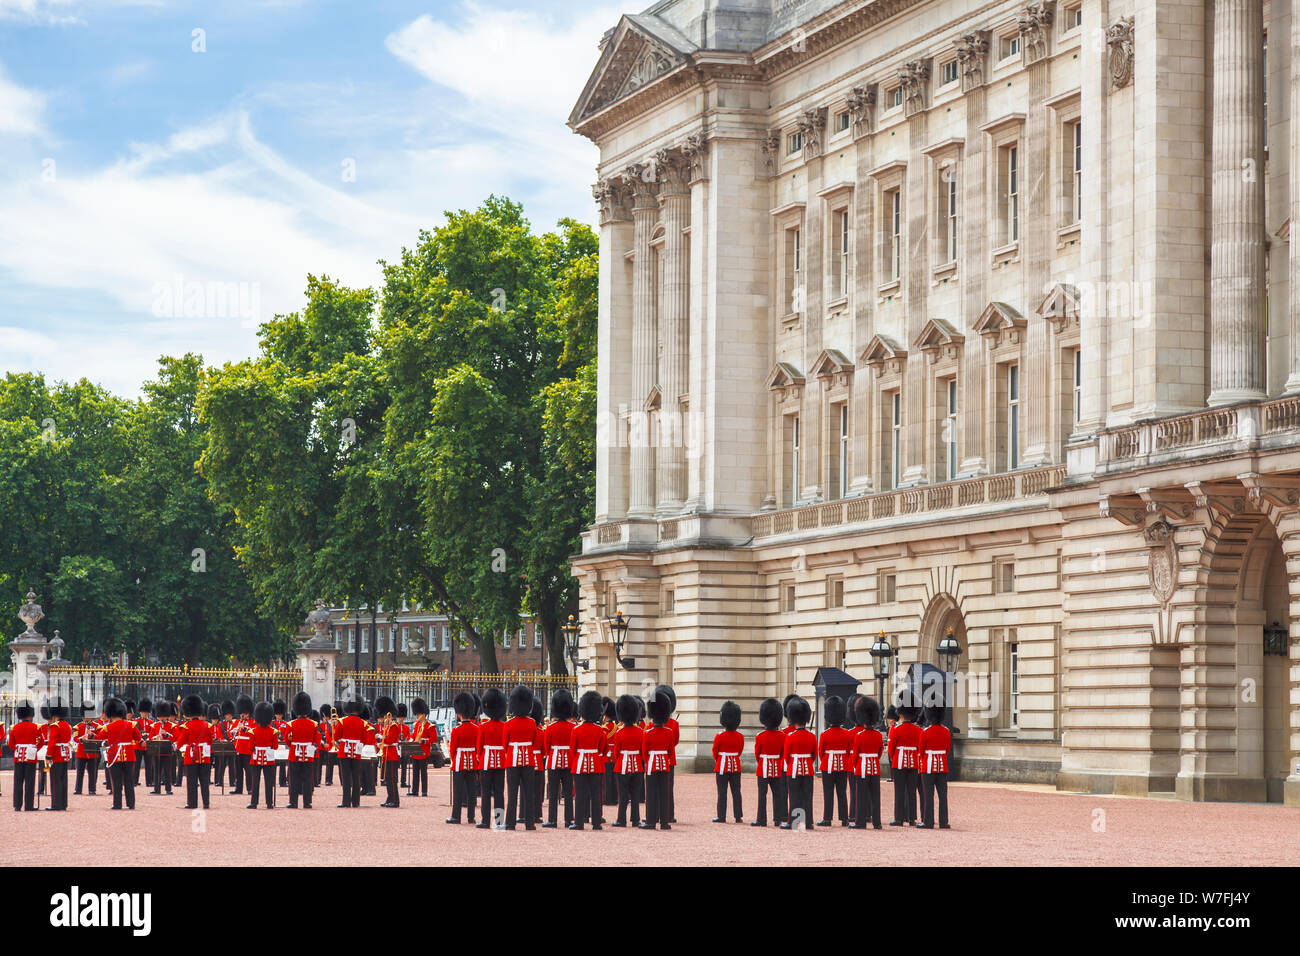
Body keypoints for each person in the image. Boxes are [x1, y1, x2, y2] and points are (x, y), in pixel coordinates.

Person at [566, 690, 606, 830]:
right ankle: (596, 823)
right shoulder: (600, 730)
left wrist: (574, 762)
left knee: (580, 794)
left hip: (579, 763)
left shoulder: (576, 730)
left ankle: (579, 822)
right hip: (595, 763)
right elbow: (603, 749)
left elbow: (572, 750)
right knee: (596, 794)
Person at [639, 690, 675, 831]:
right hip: (665, 765)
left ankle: (651, 821)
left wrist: (649, 762)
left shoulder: (647, 733)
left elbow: (644, 753)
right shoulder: (669, 732)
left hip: (652, 764)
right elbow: (671, 752)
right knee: (664, 793)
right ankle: (664, 822)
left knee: (651, 793)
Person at [502, 685, 537, 830]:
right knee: (529, 793)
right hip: (528, 759)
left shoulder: (509, 724)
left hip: (512, 759)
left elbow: (505, 744)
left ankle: (510, 823)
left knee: (512, 793)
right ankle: (530, 823)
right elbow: (534, 742)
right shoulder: (532, 723)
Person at [780, 696, 816, 831]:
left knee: (794, 796)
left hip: (793, 768)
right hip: (807, 769)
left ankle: (794, 822)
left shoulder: (790, 736)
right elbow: (814, 755)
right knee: (807, 796)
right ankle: (809, 822)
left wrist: (792, 766)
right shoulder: (812, 736)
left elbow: (787, 756)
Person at [100, 697, 142, 810]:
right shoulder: (131, 725)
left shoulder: (108, 727)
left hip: (115, 756)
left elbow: (98, 737)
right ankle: (131, 803)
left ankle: (117, 804)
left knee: (116, 782)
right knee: (129, 781)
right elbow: (139, 738)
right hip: (129, 755)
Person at [817, 695, 852, 827]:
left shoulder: (824, 734)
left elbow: (821, 753)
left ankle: (827, 818)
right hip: (843, 764)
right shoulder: (847, 734)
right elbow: (849, 751)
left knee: (828, 792)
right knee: (842, 792)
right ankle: (844, 818)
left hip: (828, 765)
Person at [849, 696, 884, 830]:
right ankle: (877, 822)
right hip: (875, 767)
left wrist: (855, 766)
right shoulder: (878, 735)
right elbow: (880, 752)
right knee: (875, 796)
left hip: (862, 768)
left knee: (861, 796)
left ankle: (860, 822)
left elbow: (856, 754)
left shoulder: (859, 736)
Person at [610, 694, 644, 828]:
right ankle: (635, 819)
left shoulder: (619, 733)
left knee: (623, 795)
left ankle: (621, 819)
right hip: (637, 765)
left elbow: (616, 752)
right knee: (635, 795)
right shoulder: (641, 732)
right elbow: (643, 750)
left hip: (622, 765)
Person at [446, 692, 480, 824]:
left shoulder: (456, 730)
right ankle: (471, 817)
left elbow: (453, 749)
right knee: (472, 791)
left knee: (458, 791)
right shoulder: (476, 729)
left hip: (459, 762)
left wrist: (454, 761)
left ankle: (456, 816)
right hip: (472, 762)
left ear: (459, 713)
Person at [476, 687, 508, 829]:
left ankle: (485, 821)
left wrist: (481, 758)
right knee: (499, 793)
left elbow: (479, 747)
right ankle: (499, 822)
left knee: (485, 793)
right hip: (501, 762)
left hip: (485, 762)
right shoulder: (505, 726)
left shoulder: (483, 727)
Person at [752, 698, 786, 828]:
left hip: (763, 767)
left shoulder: (760, 736)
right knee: (777, 794)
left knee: (762, 794)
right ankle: (777, 819)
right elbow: (783, 753)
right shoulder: (782, 736)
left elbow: (757, 754)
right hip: (777, 767)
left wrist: (763, 762)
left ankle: (761, 819)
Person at [542, 689, 574, 829]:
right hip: (569, 761)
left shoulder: (550, 728)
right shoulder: (573, 727)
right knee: (568, 792)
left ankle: (552, 820)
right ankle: (568, 820)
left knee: (553, 793)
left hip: (554, 761)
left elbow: (546, 747)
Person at [888, 700, 922, 827]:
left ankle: (899, 818)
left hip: (899, 762)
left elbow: (891, 749)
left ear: (900, 714)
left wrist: (895, 759)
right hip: (913, 762)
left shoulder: (895, 729)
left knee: (899, 791)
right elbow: (920, 748)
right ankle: (912, 818)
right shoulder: (918, 730)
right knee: (912, 791)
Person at [175, 694, 213, 810]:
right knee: (205, 781)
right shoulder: (208, 725)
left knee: (191, 782)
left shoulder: (186, 727)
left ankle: (192, 803)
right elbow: (210, 741)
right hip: (205, 756)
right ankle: (206, 803)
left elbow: (180, 743)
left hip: (191, 757)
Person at [286, 692, 321, 810]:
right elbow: (316, 739)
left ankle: (293, 802)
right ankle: (307, 802)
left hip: (294, 753)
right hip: (308, 754)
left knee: (294, 778)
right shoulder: (314, 724)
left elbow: (287, 741)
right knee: (307, 778)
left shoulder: (291, 724)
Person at [919, 706, 952, 829]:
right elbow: (947, 749)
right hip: (942, 766)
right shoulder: (946, 731)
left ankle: (928, 822)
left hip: (928, 767)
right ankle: (943, 822)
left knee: (928, 795)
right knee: (943, 795)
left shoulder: (925, 732)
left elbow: (921, 752)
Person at [712, 700, 744, 823]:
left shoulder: (719, 736)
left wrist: (719, 760)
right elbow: (739, 751)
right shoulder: (740, 736)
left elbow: (715, 751)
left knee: (722, 792)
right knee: (736, 792)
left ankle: (721, 816)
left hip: (722, 766)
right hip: (735, 766)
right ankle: (738, 816)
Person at [8, 702, 40, 811]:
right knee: (30, 782)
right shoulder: (35, 727)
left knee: (18, 781)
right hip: (31, 757)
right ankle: (29, 805)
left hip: (18, 756)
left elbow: (10, 744)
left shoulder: (15, 728)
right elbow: (40, 742)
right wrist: (34, 749)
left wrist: (18, 749)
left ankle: (17, 805)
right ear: (31, 715)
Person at [334, 700, 367, 808]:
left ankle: (346, 801)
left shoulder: (342, 721)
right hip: (356, 752)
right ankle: (356, 802)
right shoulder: (363, 723)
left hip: (344, 751)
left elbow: (337, 737)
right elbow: (364, 739)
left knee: (346, 777)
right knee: (356, 777)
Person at [246, 701, 278, 809]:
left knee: (255, 782)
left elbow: (250, 748)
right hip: (269, 759)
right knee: (269, 781)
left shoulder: (252, 731)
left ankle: (254, 803)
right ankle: (269, 803)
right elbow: (275, 746)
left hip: (256, 759)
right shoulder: (273, 731)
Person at [656, 684, 680, 822]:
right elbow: (675, 742)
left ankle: (656, 814)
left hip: (654, 760)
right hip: (669, 760)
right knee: (668, 788)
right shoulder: (674, 725)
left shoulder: (650, 726)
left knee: (655, 788)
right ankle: (669, 815)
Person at [43, 702, 73, 811]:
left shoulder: (56, 726)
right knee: (63, 779)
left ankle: (56, 804)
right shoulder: (68, 726)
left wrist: (48, 755)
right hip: (65, 755)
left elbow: (52, 742)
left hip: (56, 756)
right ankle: (63, 803)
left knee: (56, 781)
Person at [375, 696, 402, 809]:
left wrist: (381, 737)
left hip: (392, 756)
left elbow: (390, 740)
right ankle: (389, 798)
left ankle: (395, 800)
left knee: (392, 779)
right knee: (387, 779)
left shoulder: (394, 726)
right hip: (386, 755)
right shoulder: (387, 726)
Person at [73, 702, 100, 796]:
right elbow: (75, 739)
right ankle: (78, 789)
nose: (87, 718)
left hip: (92, 752)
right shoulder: (78, 727)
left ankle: (92, 789)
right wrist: (81, 738)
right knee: (80, 772)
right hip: (81, 752)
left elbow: (100, 737)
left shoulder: (97, 726)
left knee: (92, 772)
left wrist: (93, 735)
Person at [408, 698, 433, 798]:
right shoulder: (416, 724)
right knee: (415, 772)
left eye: (419, 714)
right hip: (415, 751)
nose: (417, 716)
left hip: (423, 752)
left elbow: (433, 738)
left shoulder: (429, 725)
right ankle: (414, 790)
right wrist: (409, 740)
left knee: (423, 773)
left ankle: (424, 791)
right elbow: (413, 735)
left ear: (424, 714)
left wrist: (423, 740)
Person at [232, 695, 255, 795]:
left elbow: (253, 732)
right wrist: (233, 731)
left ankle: (250, 788)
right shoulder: (237, 722)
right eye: (242, 713)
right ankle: (238, 788)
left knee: (248, 771)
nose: (243, 715)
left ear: (248, 713)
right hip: (237, 749)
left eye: (244, 713)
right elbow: (229, 733)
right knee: (238, 771)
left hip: (247, 749)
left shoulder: (253, 722)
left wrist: (244, 728)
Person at [272, 700, 290, 788]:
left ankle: (283, 781)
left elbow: (287, 734)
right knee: (273, 763)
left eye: (280, 714)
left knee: (282, 763)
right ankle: (272, 781)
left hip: (282, 744)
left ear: (282, 714)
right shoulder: (272, 723)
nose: (278, 716)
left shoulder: (285, 724)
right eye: (277, 714)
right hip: (275, 744)